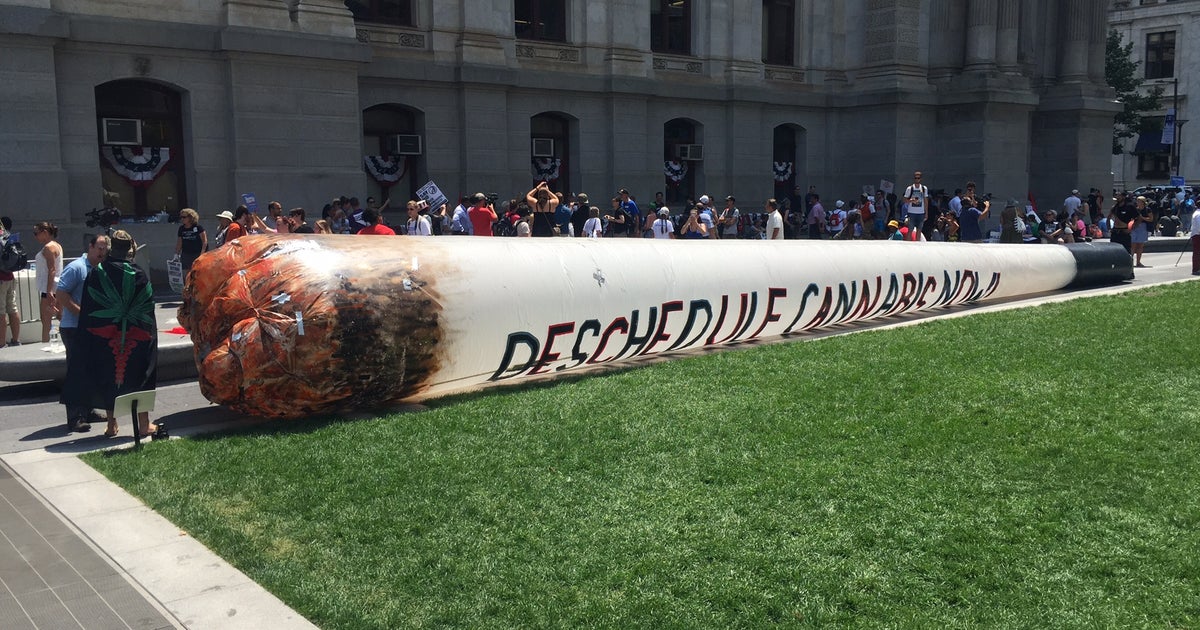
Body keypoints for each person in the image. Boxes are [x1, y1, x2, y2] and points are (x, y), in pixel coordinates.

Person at [61, 230, 158, 438]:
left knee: (107, 376)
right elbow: (147, 307)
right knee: (140, 375)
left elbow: (90, 308)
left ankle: (111, 425)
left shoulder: (98, 272)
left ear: (111, 248)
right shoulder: (138, 273)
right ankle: (144, 423)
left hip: (104, 338)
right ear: (130, 249)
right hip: (135, 335)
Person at [56, 234, 110, 433]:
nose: (102, 252)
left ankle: (89, 410)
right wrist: (82, 313)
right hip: (73, 328)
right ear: (90, 247)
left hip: (91, 328)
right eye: (99, 248)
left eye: (105, 249)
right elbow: (61, 294)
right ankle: (75, 417)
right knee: (77, 372)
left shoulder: (100, 269)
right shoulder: (77, 268)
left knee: (91, 371)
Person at [32, 221, 63, 343]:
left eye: (36, 233)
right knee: (61, 317)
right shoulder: (56, 245)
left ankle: (45, 345)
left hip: (49, 289)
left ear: (44, 232)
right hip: (58, 287)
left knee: (45, 321)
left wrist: (49, 291)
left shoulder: (48, 248)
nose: (35, 236)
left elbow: (52, 270)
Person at [0, 216, 19, 346]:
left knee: (0, 311)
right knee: (12, 308)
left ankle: (1, 343)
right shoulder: (10, 238)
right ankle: (15, 340)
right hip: (10, 277)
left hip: (0, 278)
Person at [903, 171, 929, 236]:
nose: (917, 179)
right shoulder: (910, 188)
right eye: (915, 178)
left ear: (920, 179)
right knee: (910, 230)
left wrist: (926, 213)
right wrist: (911, 201)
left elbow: (926, 201)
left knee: (919, 231)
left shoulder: (924, 188)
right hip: (911, 212)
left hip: (921, 212)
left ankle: (918, 244)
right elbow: (905, 200)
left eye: (918, 178)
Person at [1131, 195, 1154, 267]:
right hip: (1135, 227)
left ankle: (1138, 262)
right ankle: (1131, 261)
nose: (1137, 202)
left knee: (1140, 245)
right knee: (1133, 245)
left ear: (1143, 202)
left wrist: (1142, 218)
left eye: (1139, 201)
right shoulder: (1135, 209)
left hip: (1143, 227)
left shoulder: (1147, 209)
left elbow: (1151, 219)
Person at [1189, 199, 1200, 275]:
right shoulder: (1198, 214)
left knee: (1197, 252)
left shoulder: (1196, 213)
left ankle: (1196, 268)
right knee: (1197, 252)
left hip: (1195, 234)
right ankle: (1196, 269)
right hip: (1198, 235)